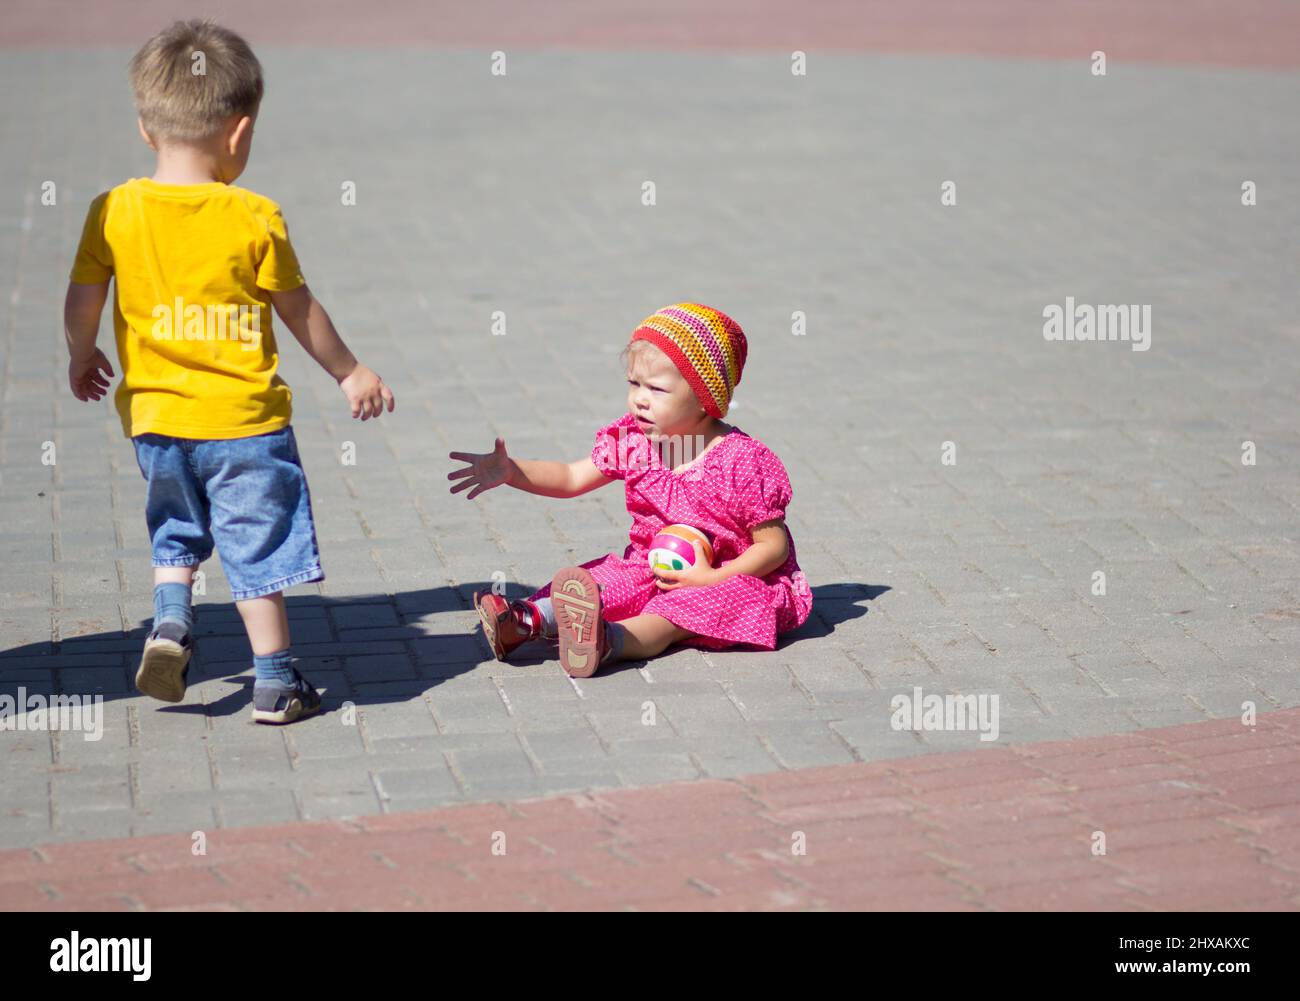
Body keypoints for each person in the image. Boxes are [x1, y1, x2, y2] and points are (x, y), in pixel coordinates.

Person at [64, 19, 394, 723]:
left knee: (175, 530)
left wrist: (82, 353)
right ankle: (275, 680)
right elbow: (301, 310)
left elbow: (82, 299)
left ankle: (171, 621)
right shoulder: (253, 216)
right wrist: (350, 371)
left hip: (155, 421)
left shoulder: (113, 212)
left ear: (146, 129)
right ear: (239, 134)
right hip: (244, 425)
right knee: (257, 547)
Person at [448, 303, 811, 676]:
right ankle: (526, 620)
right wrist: (512, 471)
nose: (640, 398)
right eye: (634, 384)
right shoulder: (637, 442)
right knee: (606, 581)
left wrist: (711, 577)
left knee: (675, 612)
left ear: (705, 397)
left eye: (656, 388)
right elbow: (573, 477)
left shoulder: (741, 461)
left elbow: (773, 547)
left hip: (731, 577)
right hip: (650, 566)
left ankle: (609, 642)